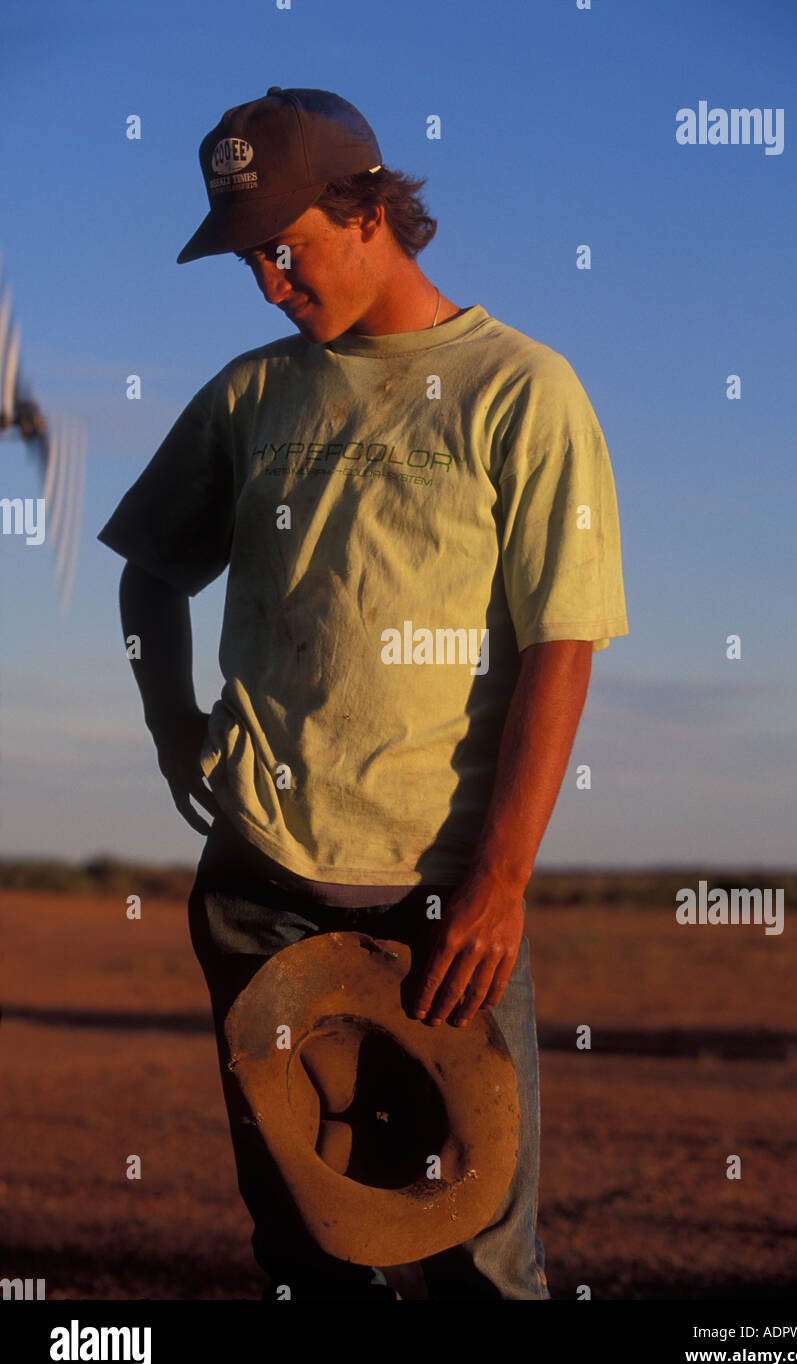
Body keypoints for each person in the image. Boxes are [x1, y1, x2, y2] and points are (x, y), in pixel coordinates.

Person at [97, 86, 629, 1301]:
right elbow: (148, 573)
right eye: (249, 260)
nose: (269, 284)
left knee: (484, 1257)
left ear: (371, 208)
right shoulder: (251, 397)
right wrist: (174, 725)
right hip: (260, 896)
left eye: (284, 248)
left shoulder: (521, 392)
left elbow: (563, 644)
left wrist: (498, 886)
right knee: (307, 1252)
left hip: (444, 916)